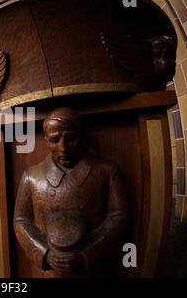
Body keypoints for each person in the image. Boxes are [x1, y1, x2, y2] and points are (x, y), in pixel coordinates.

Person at [14, 107, 130, 277]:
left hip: (92, 270)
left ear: (82, 137)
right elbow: (21, 220)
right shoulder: (31, 177)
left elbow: (120, 217)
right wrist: (45, 253)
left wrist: (87, 253)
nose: (63, 148)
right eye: (55, 140)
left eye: (71, 138)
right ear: (46, 140)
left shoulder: (106, 171)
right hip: (48, 273)